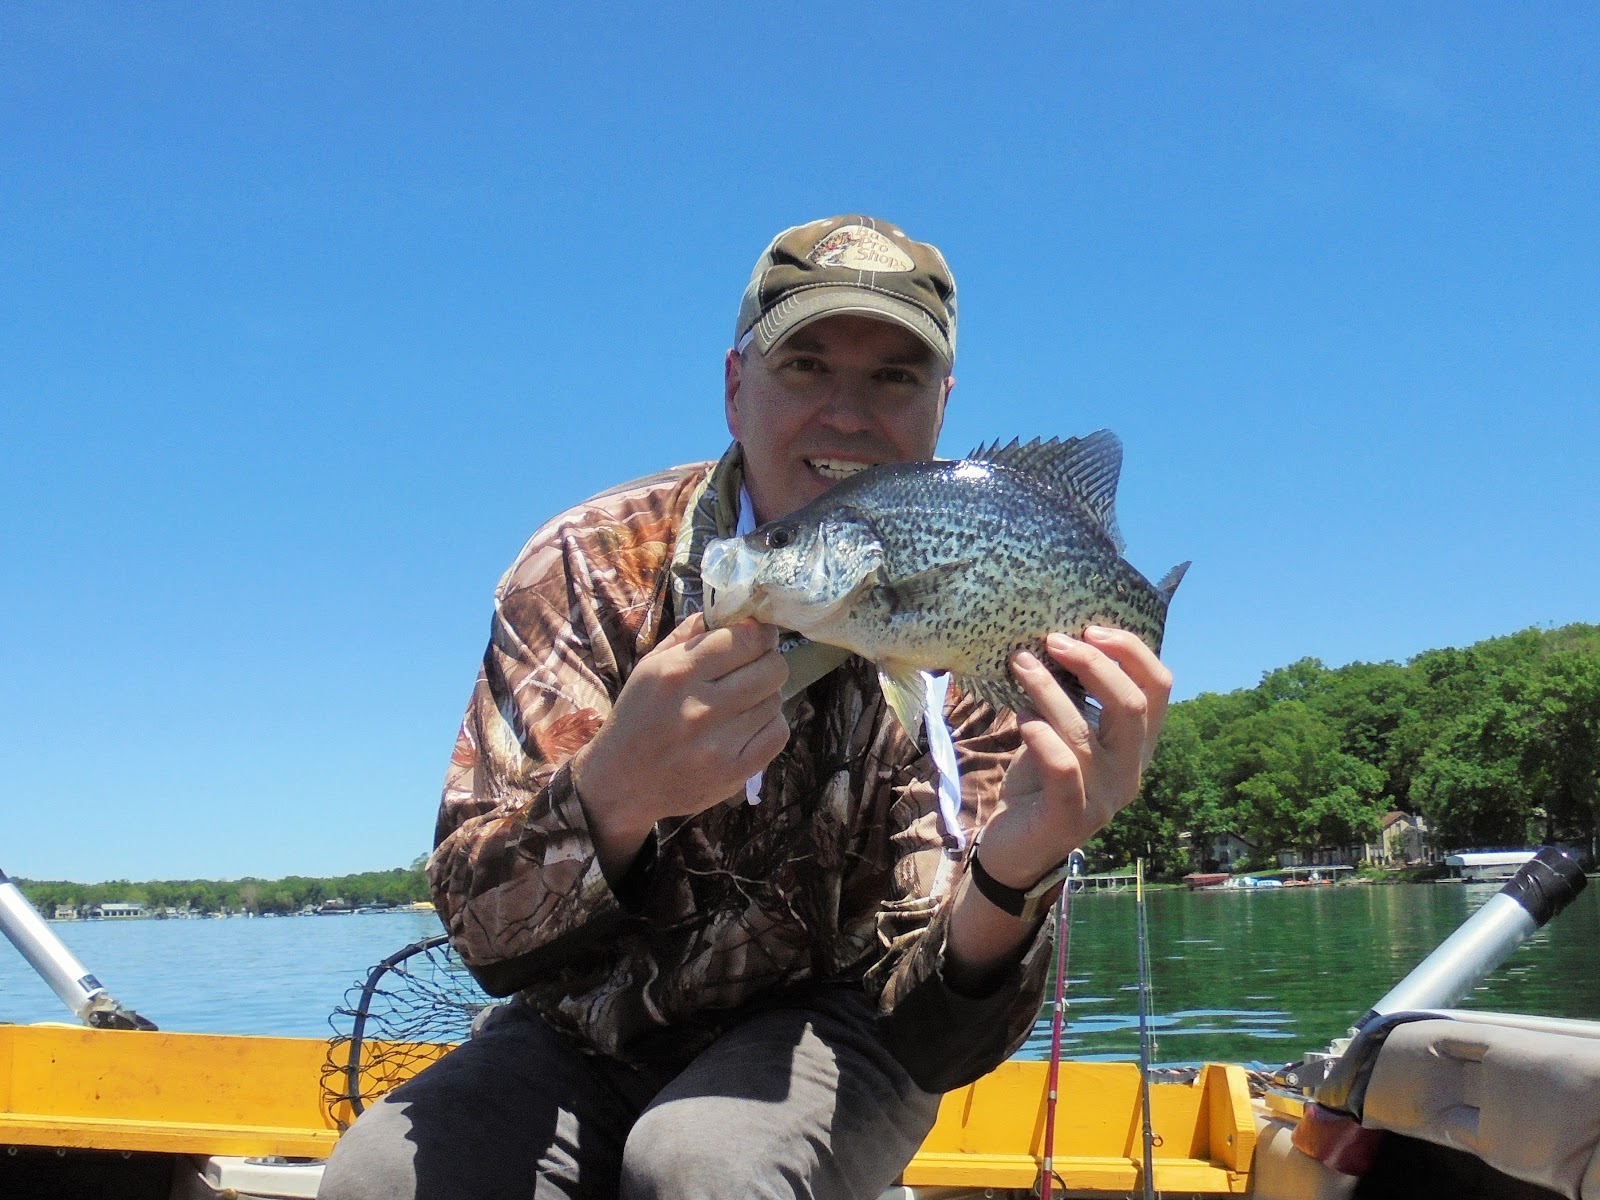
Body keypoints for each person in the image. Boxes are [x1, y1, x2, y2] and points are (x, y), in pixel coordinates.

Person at [317, 215, 1172, 1200]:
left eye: (893, 378)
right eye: (805, 366)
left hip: (849, 1031)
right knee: (378, 1178)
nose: (847, 413)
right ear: (734, 388)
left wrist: (1016, 869)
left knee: (703, 1166)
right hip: (585, 1029)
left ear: (941, 405)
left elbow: (934, 1036)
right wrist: (613, 793)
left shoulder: (991, 641)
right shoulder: (589, 565)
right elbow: (482, 933)